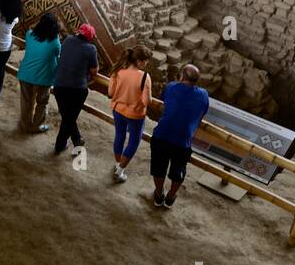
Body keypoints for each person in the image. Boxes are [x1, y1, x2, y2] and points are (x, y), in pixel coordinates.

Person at [150, 63, 210, 209]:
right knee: (179, 170)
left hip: (162, 134)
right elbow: (202, 114)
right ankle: (170, 197)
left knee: (158, 167)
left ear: (182, 77)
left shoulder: (171, 87)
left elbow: (164, 102)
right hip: (183, 140)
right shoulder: (203, 95)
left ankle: (159, 194)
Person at [107, 45, 153, 183]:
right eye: (146, 61)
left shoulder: (118, 71)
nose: (147, 63)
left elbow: (110, 93)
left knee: (119, 135)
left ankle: (117, 164)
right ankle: (120, 171)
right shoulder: (145, 77)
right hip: (135, 114)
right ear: (139, 61)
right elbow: (146, 101)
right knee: (134, 140)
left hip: (118, 110)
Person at [52, 23, 99, 155]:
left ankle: (68, 142)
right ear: (90, 37)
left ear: (78, 32)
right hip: (77, 90)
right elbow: (95, 71)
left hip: (59, 86)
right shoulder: (91, 49)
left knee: (68, 118)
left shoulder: (67, 40)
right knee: (69, 119)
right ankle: (69, 142)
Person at [15, 12, 62, 133]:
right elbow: (57, 55)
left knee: (26, 101)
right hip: (43, 78)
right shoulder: (55, 42)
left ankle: (25, 124)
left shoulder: (29, 35)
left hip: (25, 74)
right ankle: (37, 125)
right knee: (42, 102)